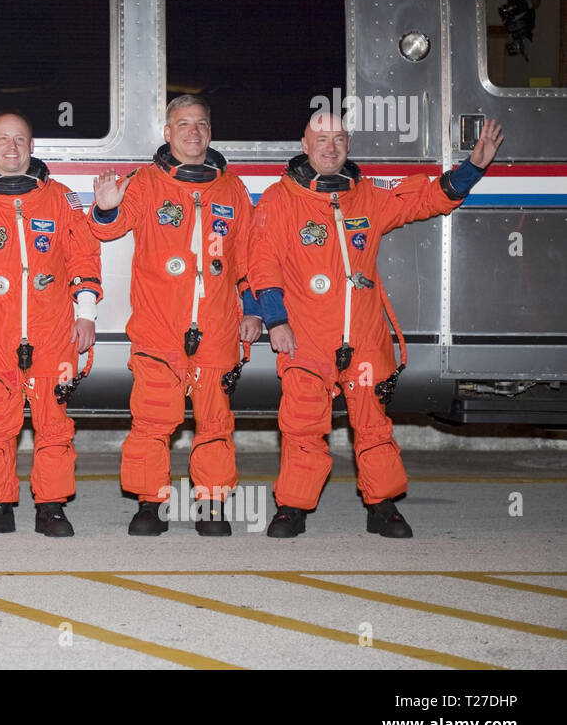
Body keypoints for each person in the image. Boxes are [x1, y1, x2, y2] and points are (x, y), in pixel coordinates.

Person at [250, 111, 504, 539]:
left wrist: (473, 167)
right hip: (307, 336)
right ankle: (292, 508)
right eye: (322, 138)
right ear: (304, 143)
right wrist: (276, 320)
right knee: (302, 425)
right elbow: (262, 264)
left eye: (340, 139)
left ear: (348, 145)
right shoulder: (280, 200)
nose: (331, 147)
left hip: (364, 337)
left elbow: (425, 199)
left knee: (373, 425)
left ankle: (382, 505)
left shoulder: (366, 195)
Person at [90, 95, 262, 536]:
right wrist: (107, 205)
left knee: (215, 422)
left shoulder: (231, 189)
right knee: (152, 420)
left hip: (218, 327)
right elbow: (108, 228)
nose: (193, 132)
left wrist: (254, 309)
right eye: (183, 124)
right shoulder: (145, 183)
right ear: (167, 133)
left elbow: (248, 257)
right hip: (159, 327)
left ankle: (212, 503)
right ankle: (151, 503)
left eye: (201, 124)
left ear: (209, 131)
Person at [0, 111, 101, 537]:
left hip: (53, 334)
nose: (12, 147)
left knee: (53, 427)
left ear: (32, 146)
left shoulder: (62, 199)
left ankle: (51, 507)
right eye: (2, 139)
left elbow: (83, 258)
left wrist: (86, 314)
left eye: (20, 139)